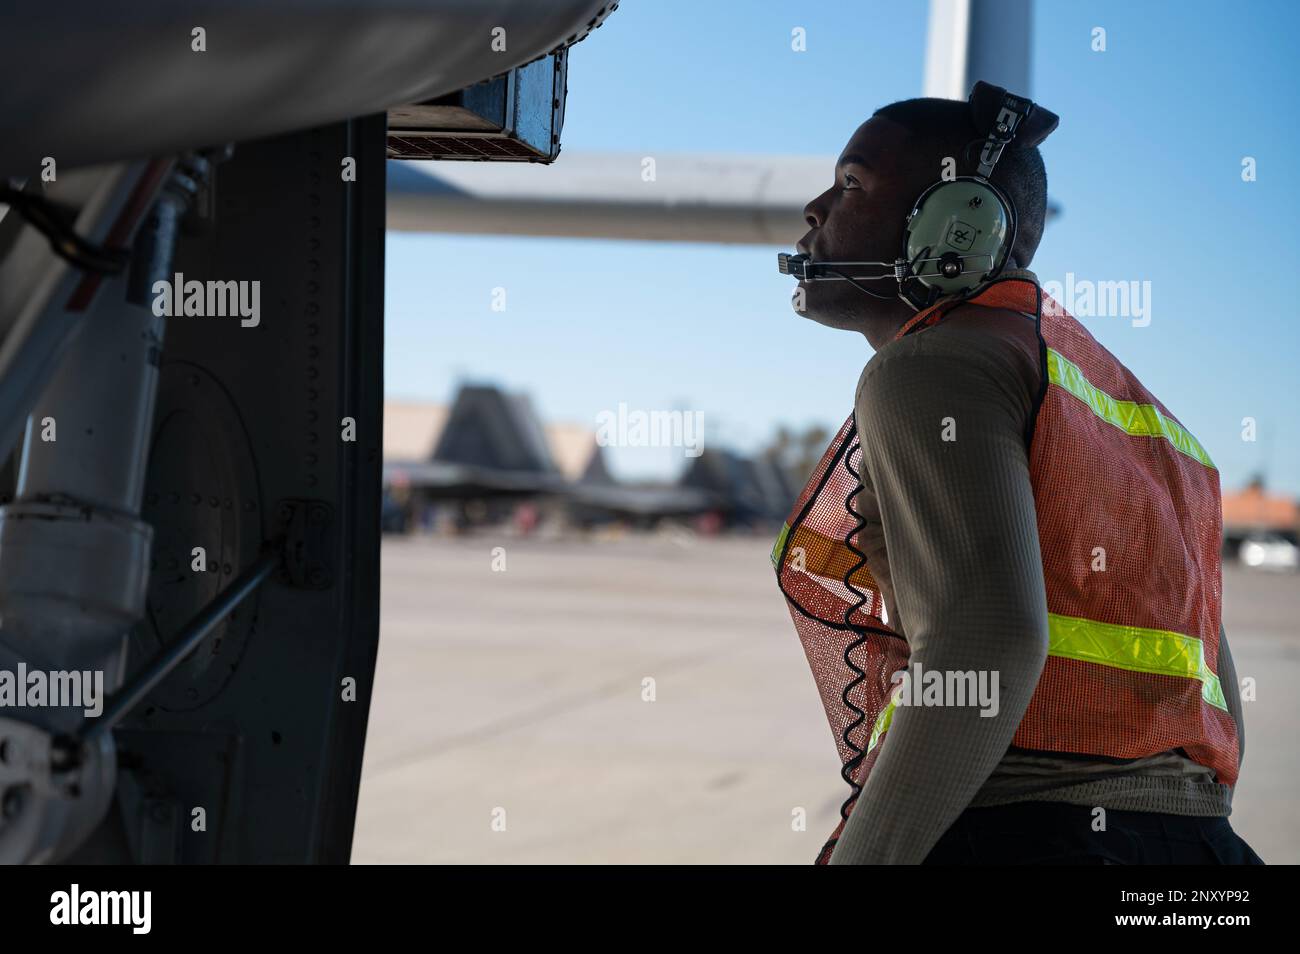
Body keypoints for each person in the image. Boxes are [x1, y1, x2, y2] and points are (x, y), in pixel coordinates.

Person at [773, 84, 1262, 865]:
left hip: (1028, 836)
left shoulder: (931, 367)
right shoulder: (1141, 421)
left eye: (853, 183)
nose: (816, 207)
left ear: (952, 225)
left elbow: (985, 645)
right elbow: (1218, 687)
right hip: (1200, 844)